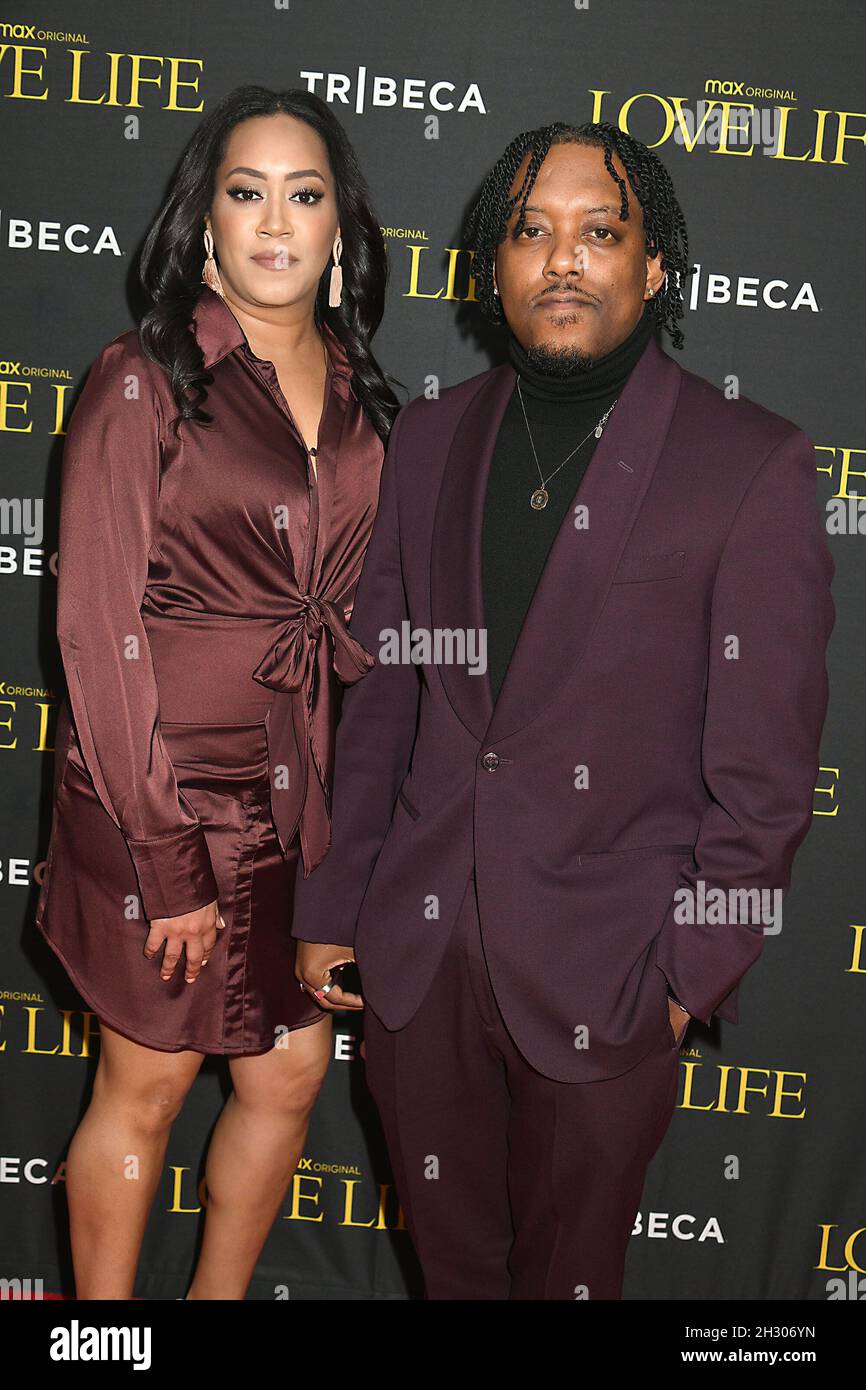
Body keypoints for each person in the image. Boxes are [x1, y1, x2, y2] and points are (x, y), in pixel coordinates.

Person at [290, 120, 835, 1299]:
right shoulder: (431, 439)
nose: (563, 260)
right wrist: (337, 904)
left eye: (600, 231)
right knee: (452, 1275)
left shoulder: (748, 462)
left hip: (612, 974)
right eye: (531, 232)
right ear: (493, 262)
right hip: (419, 957)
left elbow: (765, 772)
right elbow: (384, 693)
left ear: (652, 267)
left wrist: (691, 973)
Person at [34, 85, 398, 1300]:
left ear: (341, 226)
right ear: (205, 225)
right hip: (165, 801)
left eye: (306, 194)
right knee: (145, 1084)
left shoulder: (363, 391)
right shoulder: (143, 379)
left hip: (301, 805)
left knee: (287, 1080)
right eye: (247, 193)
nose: (277, 221)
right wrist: (165, 856)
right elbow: (97, 633)